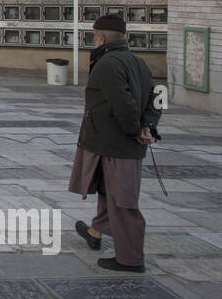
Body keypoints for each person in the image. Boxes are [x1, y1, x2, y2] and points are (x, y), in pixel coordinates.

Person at [69, 14, 163, 273]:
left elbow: (123, 104)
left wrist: (136, 130)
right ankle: (95, 232)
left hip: (116, 145)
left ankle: (130, 259)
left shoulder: (107, 64)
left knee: (123, 201)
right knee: (106, 191)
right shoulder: (138, 62)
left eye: (93, 36)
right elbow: (156, 100)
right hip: (112, 144)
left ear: (100, 37)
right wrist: (149, 126)